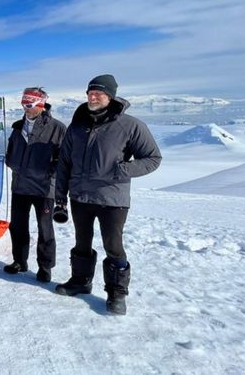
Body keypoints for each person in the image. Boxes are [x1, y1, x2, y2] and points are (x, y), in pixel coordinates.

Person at [54, 74, 161, 315]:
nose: (93, 97)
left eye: (99, 93)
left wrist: (123, 169)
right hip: (80, 196)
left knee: (113, 245)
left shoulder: (129, 125)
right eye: (90, 93)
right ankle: (80, 282)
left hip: (112, 198)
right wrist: (60, 196)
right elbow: (64, 163)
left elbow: (153, 158)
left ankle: (117, 293)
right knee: (81, 242)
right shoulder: (77, 126)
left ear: (110, 97)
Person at [3, 87, 66, 282]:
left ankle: (45, 267)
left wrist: (47, 172)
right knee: (18, 226)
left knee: (45, 229)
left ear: (41, 105)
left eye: (29, 104)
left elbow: (64, 159)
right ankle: (19, 261)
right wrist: (12, 162)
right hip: (20, 186)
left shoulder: (57, 128)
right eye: (23, 104)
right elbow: (11, 151)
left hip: (44, 188)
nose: (25, 108)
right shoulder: (17, 127)